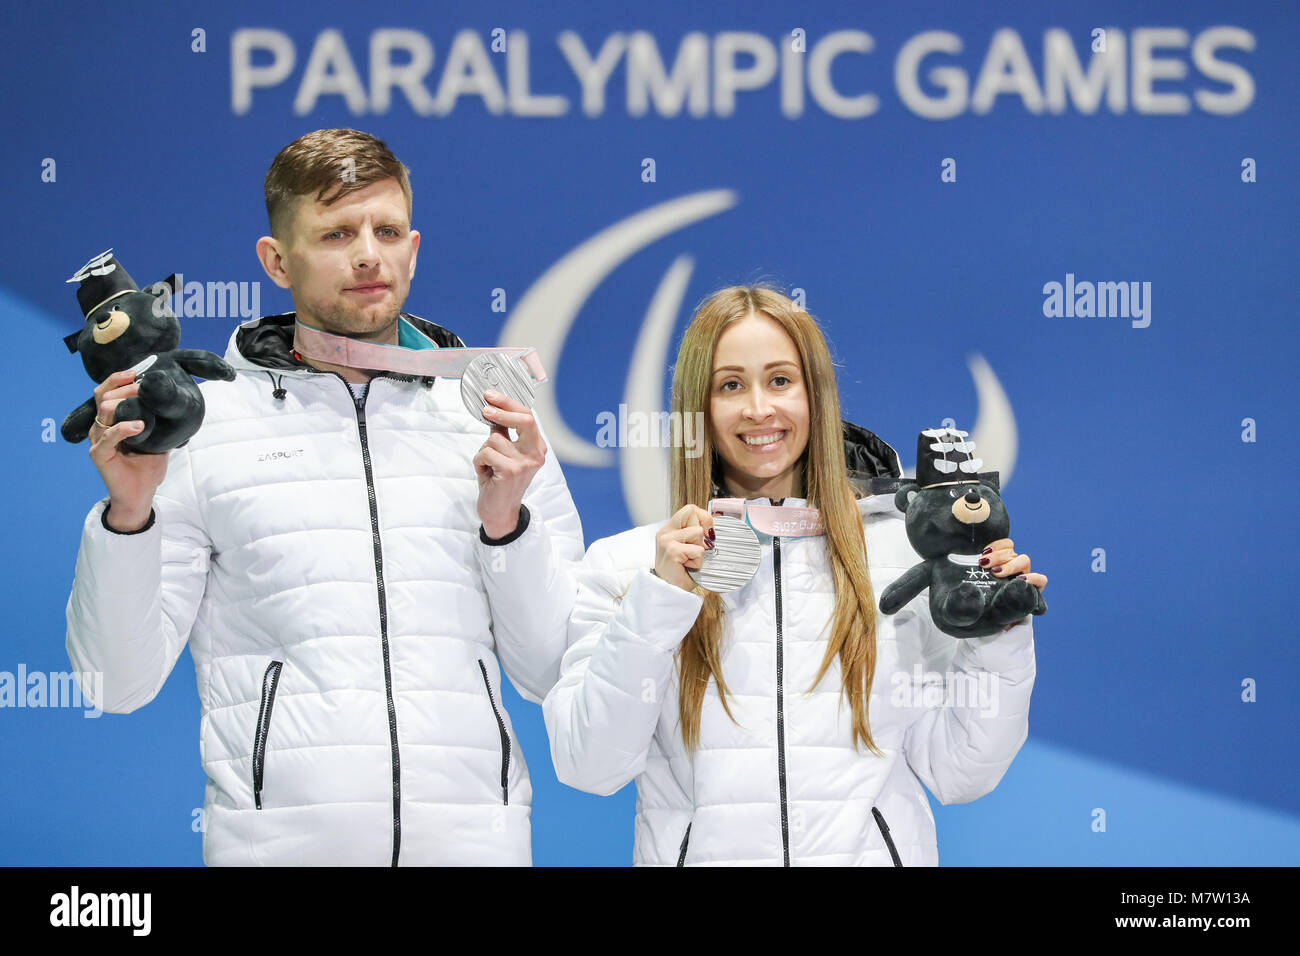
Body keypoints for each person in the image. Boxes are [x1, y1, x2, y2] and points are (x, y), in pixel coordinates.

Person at [65, 128, 584, 866]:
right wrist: (128, 517)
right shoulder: (205, 426)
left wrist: (509, 528)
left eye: (387, 230)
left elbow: (554, 669)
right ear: (276, 261)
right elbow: (113, 684)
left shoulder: (494, 415)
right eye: (337, 233)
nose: (368, 253)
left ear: (414, 247)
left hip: (477, 848)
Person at [543, 285, 1046, 866]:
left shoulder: (902, 558)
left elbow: (962, 772)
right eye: (731, 385)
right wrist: (658, 602)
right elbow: (589, 766)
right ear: (698, 409)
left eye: (780, 380)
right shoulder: (627, 568)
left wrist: (995, 638)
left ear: (816, 397)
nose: (759, 408)